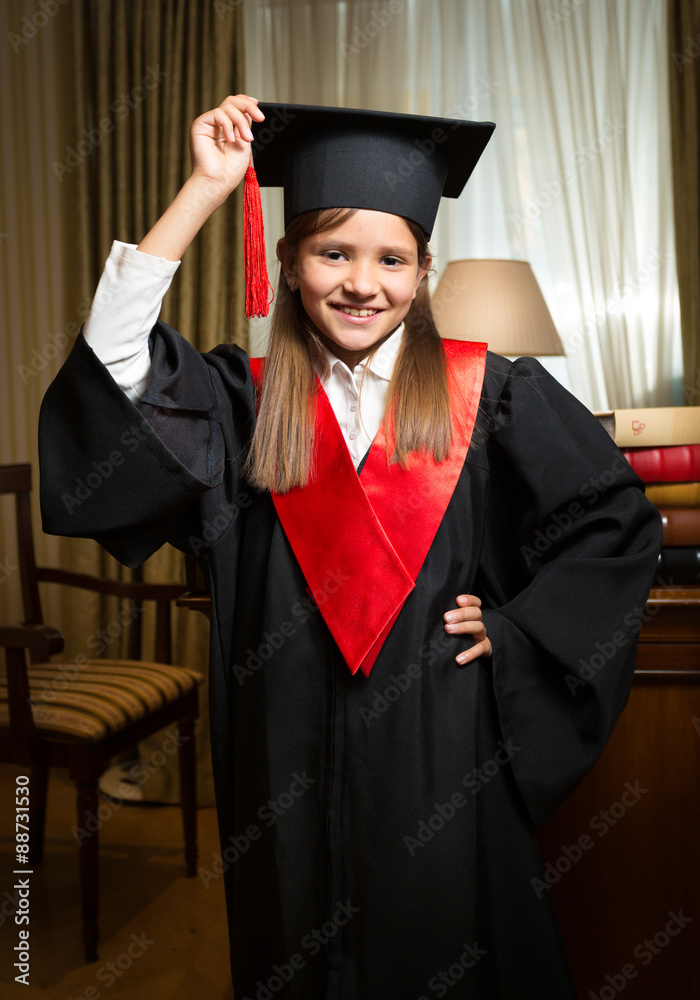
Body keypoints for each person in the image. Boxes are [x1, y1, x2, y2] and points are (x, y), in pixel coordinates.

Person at [39, 95, 662, 999]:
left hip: (439, 738)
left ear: (422, 272)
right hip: (282, 739)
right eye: (333, 253)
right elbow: (113, 371)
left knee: (440, 942)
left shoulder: (490, 393)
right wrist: (204, 191)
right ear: (288, 263)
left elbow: (614, 520)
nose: (362, 282)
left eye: (391, 259)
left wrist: (521, 629)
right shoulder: (242, 401)